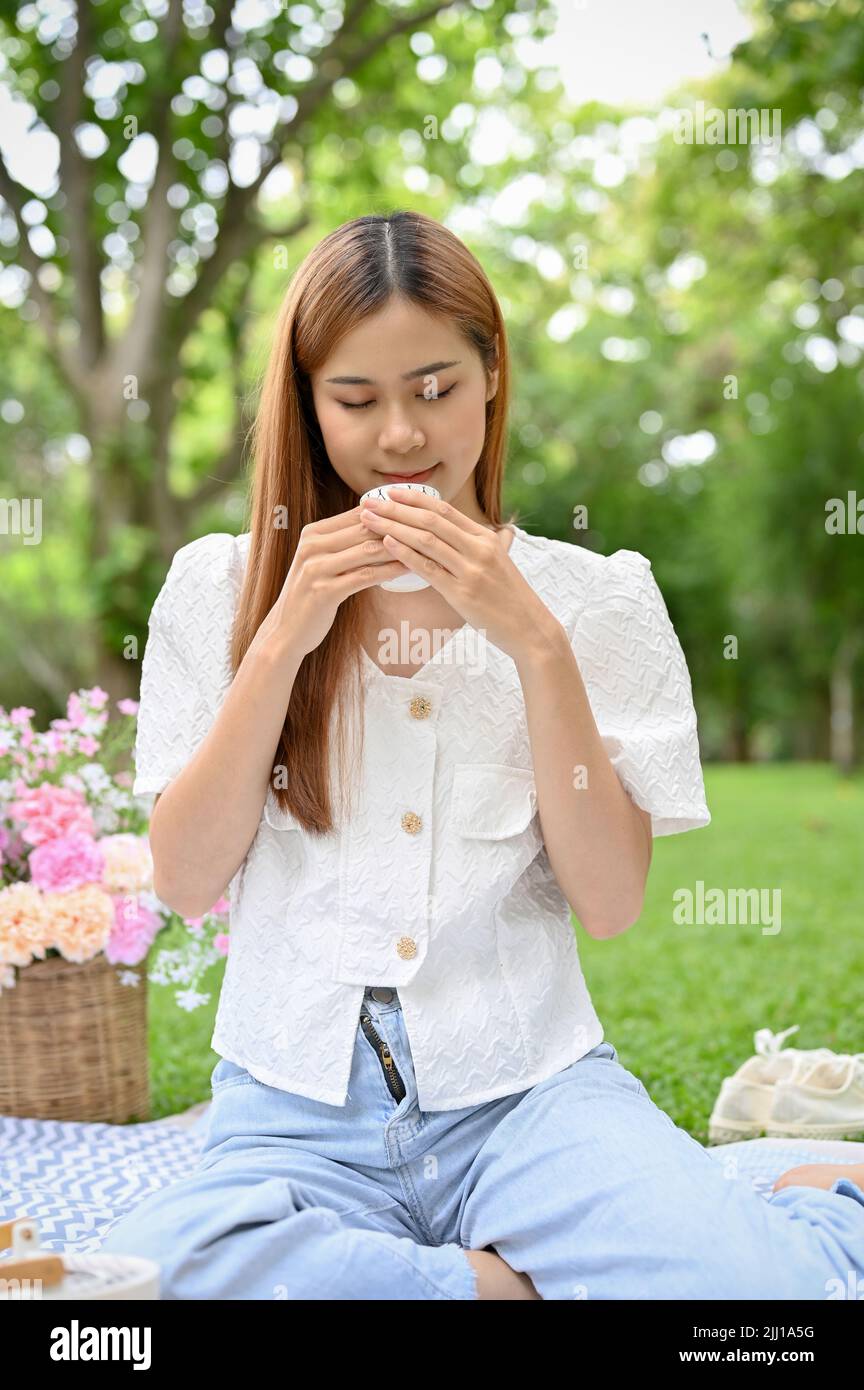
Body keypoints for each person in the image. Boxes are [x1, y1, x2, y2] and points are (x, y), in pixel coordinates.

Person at [101, 210, 864, 1300]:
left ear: (492, 373)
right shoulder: (219, 588)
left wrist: (535, 643)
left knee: (761, 1303)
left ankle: (801, 1208)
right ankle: (498, 1287)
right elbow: (182, 878)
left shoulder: (596, 600)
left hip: (530, 1098)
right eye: (356, 401)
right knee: (157, 1276)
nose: (402, 437)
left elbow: (609, 900)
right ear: (307, 404)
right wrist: (283, 636)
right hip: (295, 1116)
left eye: (437, 388)